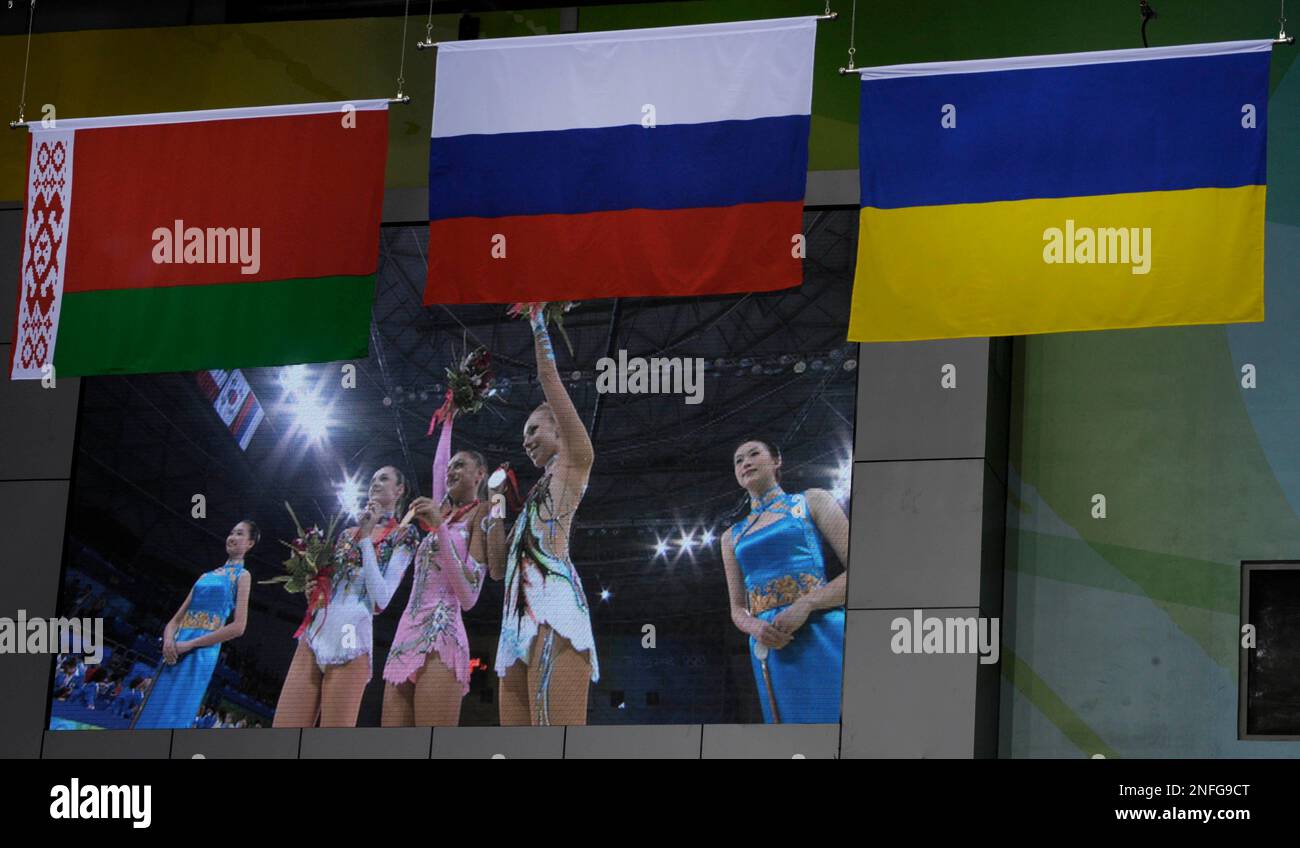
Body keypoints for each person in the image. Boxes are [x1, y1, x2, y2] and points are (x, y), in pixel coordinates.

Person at [493, 306, 597, 725]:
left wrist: (537, 320)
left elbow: (549, 379)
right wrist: (495, 505)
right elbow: (498, 570)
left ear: (558, 427)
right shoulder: (530, 500)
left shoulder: (575, 464)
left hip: (554, 607)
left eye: (533, 430)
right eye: (523, 437)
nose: (526, 441)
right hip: (513, 624)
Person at [382, 412, 505, 726]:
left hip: (443, 633)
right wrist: (448, 416)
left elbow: (469, 596)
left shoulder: (482, 515)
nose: (450, 470)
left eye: (460, 465)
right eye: (451, 465)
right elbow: (439, 465)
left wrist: (439, 529)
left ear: (480, 474)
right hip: (406, 632)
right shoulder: (444, 512)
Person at [272, 466, 418, 728]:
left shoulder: (404, 535)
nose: (375, 483)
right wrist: (313, 591)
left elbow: (381, 599)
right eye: (372, 479)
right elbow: (333, 587)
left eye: (383, 479)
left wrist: (365, 538)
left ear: (400, 490)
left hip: (352, 639)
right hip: (316, 632)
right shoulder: (345, 534)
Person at [720, 439, 848, 724]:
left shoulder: (812, 500)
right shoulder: (731, 537)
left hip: (823, 628)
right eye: (738, 460)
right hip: (771, 644)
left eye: (754, 454)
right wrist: (755, 627)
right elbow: (737, 608)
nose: (746, 463)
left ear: (776, 461)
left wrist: (808, 603)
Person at [134, 521, 255, 728]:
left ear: (250, 544)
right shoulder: (205, 576)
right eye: (231, 532)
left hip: (201, 652)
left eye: (240, 534)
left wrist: (190, 645)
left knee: (176, 711)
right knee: (154, 704)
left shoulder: (243, 576)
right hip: (174, 649)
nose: (232, 537)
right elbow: (175, 620)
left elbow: (238, 627)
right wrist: (169, 641)